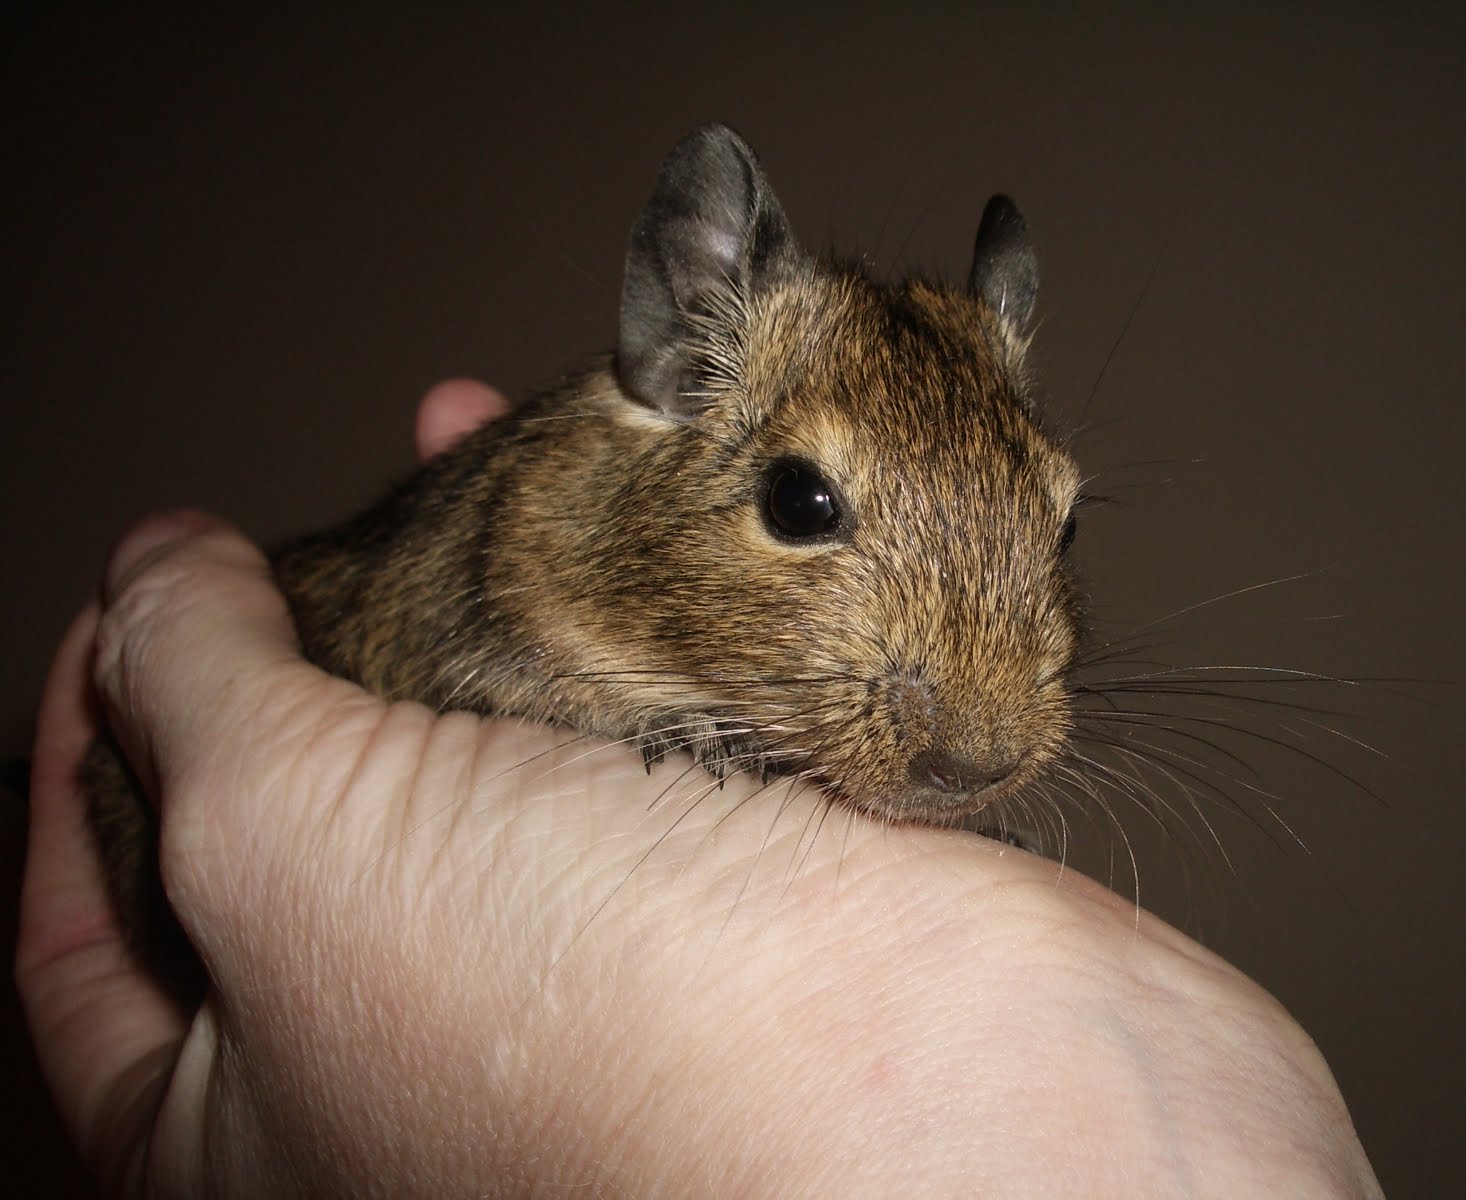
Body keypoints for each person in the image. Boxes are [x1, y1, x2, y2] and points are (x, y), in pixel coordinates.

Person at [16, 381, 1384, 1196]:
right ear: (674, 347)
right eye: (804, 510)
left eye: (1055, 526)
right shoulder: (543, 530)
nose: (987, 725)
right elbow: (484, 641)